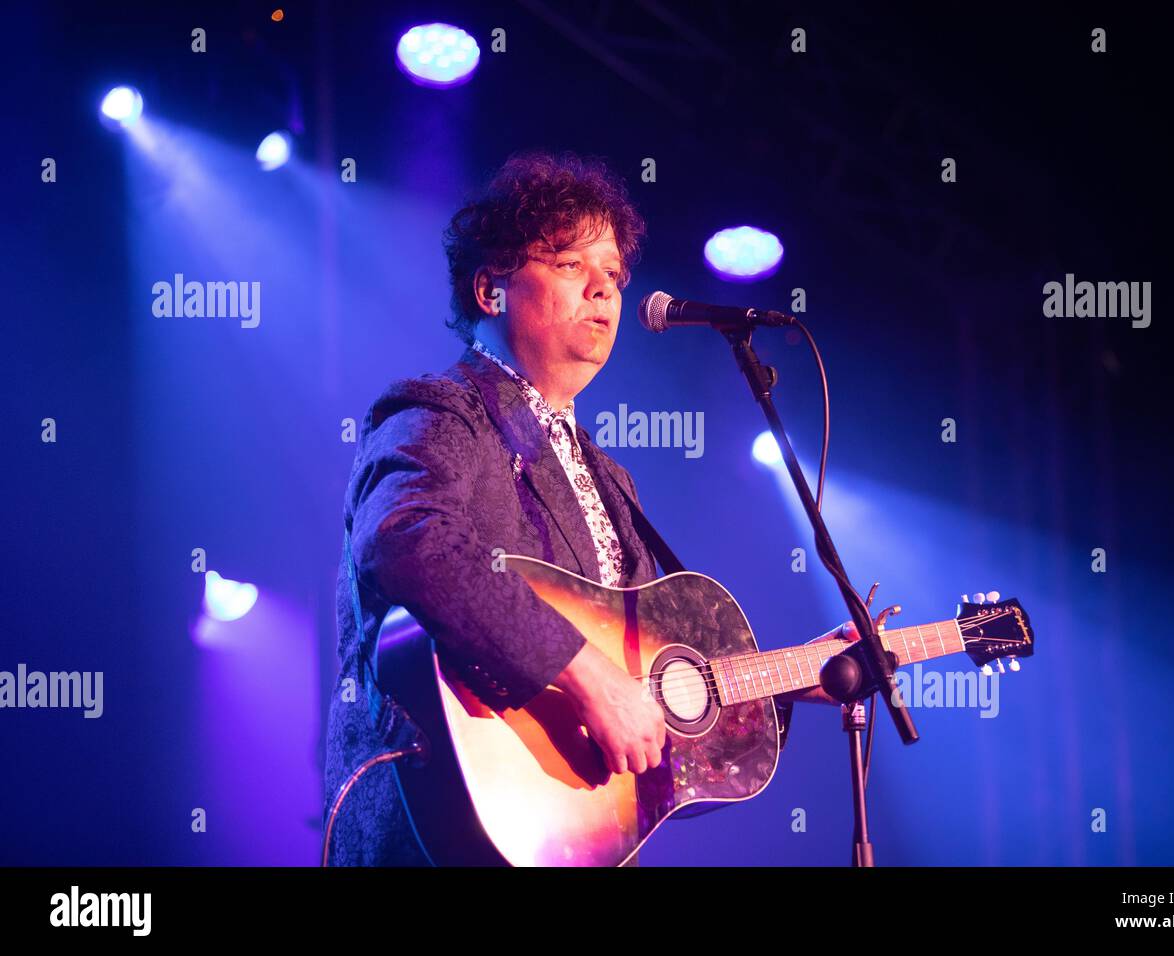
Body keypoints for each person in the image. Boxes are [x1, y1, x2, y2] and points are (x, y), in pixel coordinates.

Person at [322, 150, 836, 867]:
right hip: (430, 830)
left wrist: (793, 678)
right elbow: (407, 537)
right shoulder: (444, 410)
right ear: (490, 290)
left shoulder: (609, 476)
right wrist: (583, 671)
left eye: (616, 276)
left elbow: (650, 701)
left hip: (557, 837)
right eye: (570, 265)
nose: (604, 290)